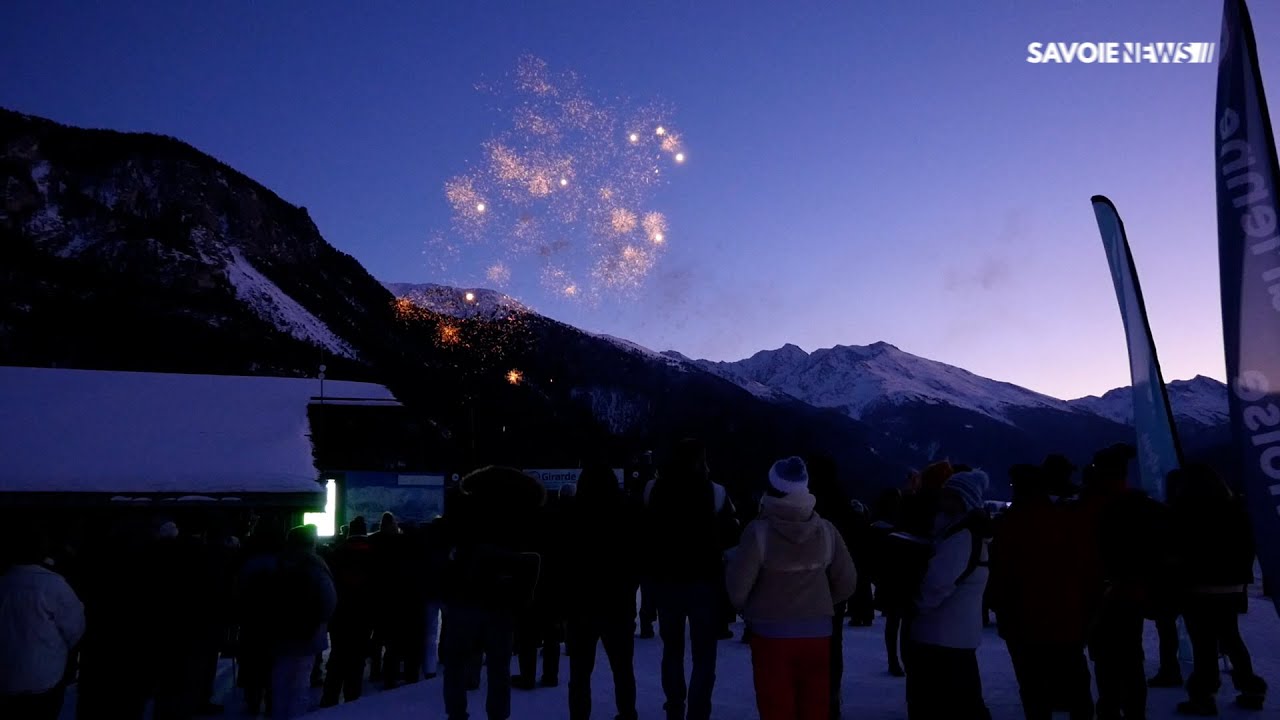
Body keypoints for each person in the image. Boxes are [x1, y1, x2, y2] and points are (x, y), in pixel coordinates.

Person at [726, 457, 857, 720]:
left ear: (771, 488)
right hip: (818, 634)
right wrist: (822, 604)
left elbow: (737, 589)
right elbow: (848, 582)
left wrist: (749, 609)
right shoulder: (826, 530)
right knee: (815, 708)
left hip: (769, 635)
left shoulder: (758, 532)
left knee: (776, 708)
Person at [989, 463, 1096, 720]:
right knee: (1076, 687)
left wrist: (1000, 609)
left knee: (1034, 690)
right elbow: (1084, 566)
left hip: (1023, 622)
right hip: (1067, 617)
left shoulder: (1010, 523)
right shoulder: (1065, 518)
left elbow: (1000, 572)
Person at [644, 439, 740, 720]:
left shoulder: (653, 490)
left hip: (666, 582)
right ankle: (699, 711)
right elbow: (732, 538)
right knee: (704, 654)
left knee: (672, 649)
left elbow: (645, 533)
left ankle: (674, 705)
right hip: (704, 583)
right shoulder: (716, 492)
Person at [441, 466, 545, 720]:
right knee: (500, 668)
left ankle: (457, 714)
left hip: (463, 599)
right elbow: (532, 556)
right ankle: (498, 716)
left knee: (455, 665)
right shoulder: (522, 514)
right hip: (502, 604)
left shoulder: (461, 508)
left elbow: (446, 549)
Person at [1167, 463, 1267, 715]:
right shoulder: (1236, 508)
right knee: (1231, 637)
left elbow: (1180, 550)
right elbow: (1249, 545)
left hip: (1198, 587)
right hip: (1231, 587)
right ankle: (1251, 688)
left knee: (1203, 643)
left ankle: (1203, 695)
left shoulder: (1185, 510)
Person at [1081, 443, 1167, 720]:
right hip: (1133, 593)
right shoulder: (1142, 505)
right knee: (1131, 658)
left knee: (1105, 660)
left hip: (1097, 592)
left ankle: (1109, 710)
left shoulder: (1090, 505)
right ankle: (1133, 713)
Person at [905, 470, 992, 720]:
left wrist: (915, 605)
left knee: (941, 705)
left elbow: (937, 584)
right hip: (958, 637)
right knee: (963, 704)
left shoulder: (960, 538)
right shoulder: (969, 534)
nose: (941, 499)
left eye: (948, 494)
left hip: (940, 638)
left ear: (961, 498)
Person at [564, 464, 641, 720]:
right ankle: (627, 713)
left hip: (581, 605)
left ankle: (579, 714)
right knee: (622, 668)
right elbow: (636, 559)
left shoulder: (572, 515)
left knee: (579, 671)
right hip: (618, 603)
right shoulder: (627, 513)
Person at [0, 527, 86, 720]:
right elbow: (75, 628)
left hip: (6, 676)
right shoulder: (53, 586)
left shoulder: (4, 583)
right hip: (43, 678)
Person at [805, 452, 861, 720]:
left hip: (803, 586)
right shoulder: (842, 501)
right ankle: (830, 698)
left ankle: (808, 696)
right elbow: (851, 544)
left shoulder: (804, 504)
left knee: (804, 642)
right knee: (832, 643)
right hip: (832, 588)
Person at [269, 524, 338, 720]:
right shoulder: (315, 566)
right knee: (300, 683)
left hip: (280, 632)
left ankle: (278, 714)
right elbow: (329, 600)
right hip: (308, 633)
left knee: (280, 679)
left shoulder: (277, 564)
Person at [320, 517, 376, 707]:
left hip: (340, 614)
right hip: (363, 615)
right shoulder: (373, 554)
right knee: (357, 658)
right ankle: (353, 700)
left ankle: (329, 699)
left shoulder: (337, 553)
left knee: (337, 657)